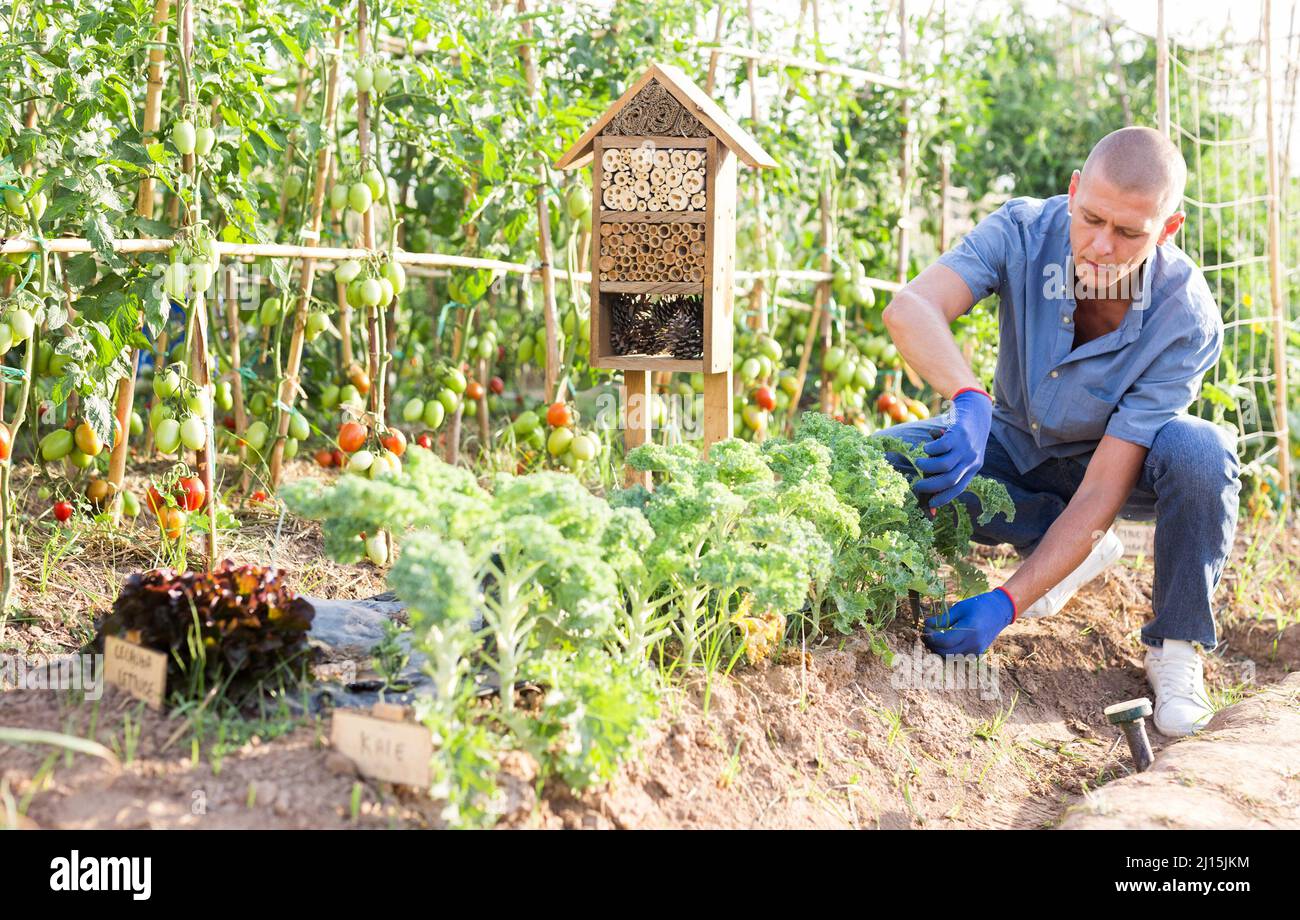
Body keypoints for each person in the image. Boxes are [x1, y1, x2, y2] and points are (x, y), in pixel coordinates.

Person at [873, 126, 1240, 737]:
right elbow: (911, 307)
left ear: (1167, 230)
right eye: (1091, 218)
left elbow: (1102, 493)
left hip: (1117, 471)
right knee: (884, 460)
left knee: (1201, 450)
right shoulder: (1022, 231)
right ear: (1073, 193)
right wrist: (967, 398)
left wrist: (1008, 601)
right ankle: (1068, 545)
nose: (1101, 246)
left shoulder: (1185, 316)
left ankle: (1176, 650)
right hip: (1012, 444)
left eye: (1129, 233)